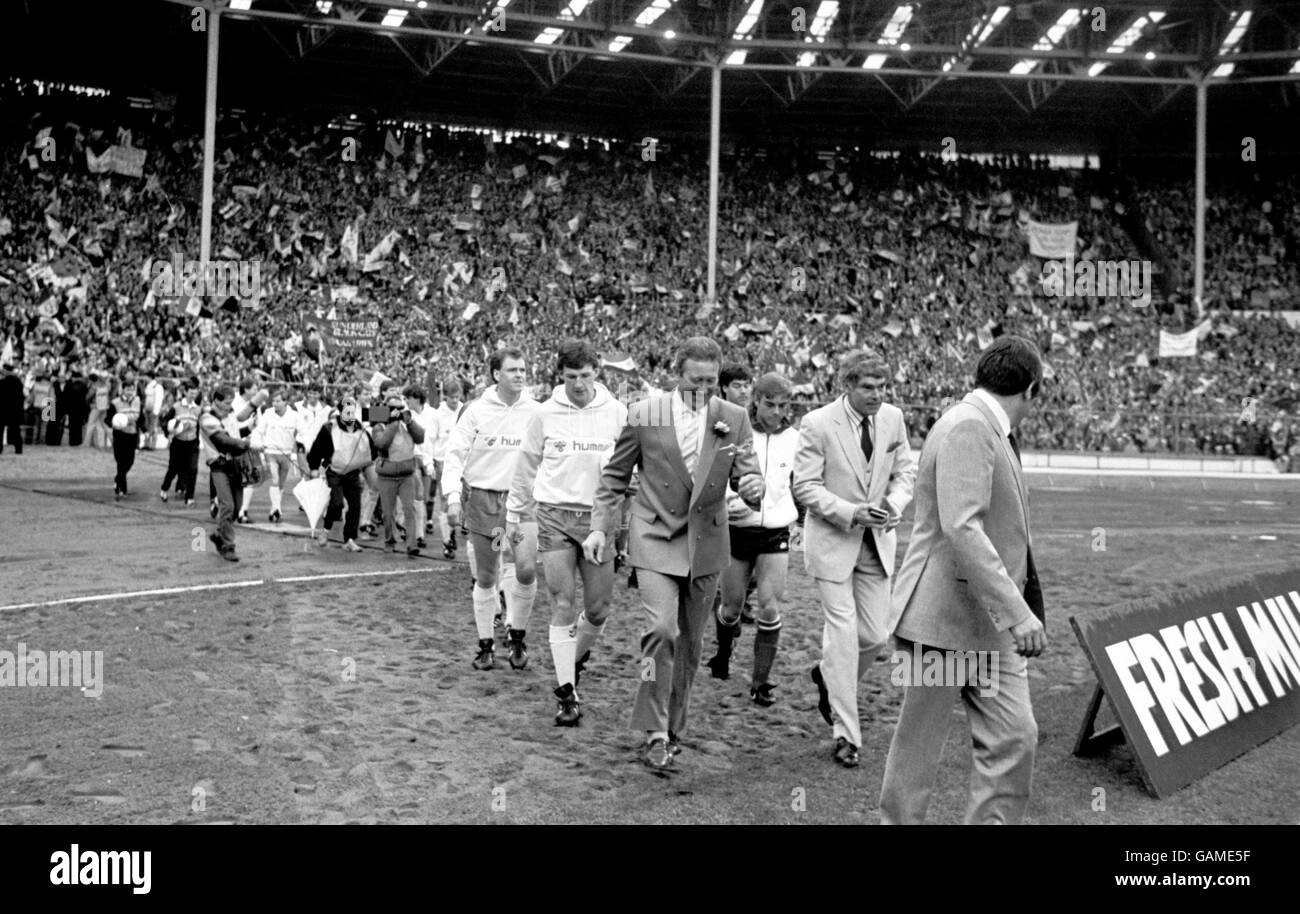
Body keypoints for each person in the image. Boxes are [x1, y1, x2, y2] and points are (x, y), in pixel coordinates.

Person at [879, 336, 1047, 825]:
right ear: (1031, 389)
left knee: (1015, 737)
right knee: (919, 749)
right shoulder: (969, 427)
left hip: (985, 626)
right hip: (945, 622)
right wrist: (1018, 612)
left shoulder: (977, 424)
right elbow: (961, 526)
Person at [585, 336, 765, 771]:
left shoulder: (734, 418)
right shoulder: (644, 414)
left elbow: (747, 473)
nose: (702, 389)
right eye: (693, 380)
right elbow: (613, 480)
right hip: (654, 535)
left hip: (706, 540)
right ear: (676, 373)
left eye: (710, 381)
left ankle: (674, 726)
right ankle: (654, 730)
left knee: (690, 643)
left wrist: (754, 487)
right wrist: (598, 530)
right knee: (661, 631)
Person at [793, 351, 916, 768]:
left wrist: (895, 503)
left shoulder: (893, 419)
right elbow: (805, 487)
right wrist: (849, 512)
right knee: (842, 636)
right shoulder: (817, 423)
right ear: (847, 385)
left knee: (876, 638)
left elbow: (905, 473)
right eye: (867, 387)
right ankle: (847, 734)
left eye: (882, 387)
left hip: (877, 543)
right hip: (832, 543)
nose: (876, 395)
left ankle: (829, 679)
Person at [507, 339, 628, 725]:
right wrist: (515, 512)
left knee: (598, 608)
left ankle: (573, 660)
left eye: (586, 376)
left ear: (597, 374)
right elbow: (526, 464)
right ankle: (566, 693)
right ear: (561, 375)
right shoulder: (545, 413)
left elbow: (629, 467)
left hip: (599, 519)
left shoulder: (617, 412)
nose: (578, 383)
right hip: (554, 515)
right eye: (571, 376)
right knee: (562, 602)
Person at [705, 372, 801, 707]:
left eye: (782, 405)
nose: (776, 411)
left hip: (775, 531)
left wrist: (800, 519)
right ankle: (722, 653)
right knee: (731, 608)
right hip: (736, 528)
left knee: (769, 606)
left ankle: (761, 683)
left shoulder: (796, 439)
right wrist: (734, 494)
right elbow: (718, 475)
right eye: (769, 403)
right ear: (755, 400)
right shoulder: (736, 431)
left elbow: (799, 484)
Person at [443, 349, 541, 670]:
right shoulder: (476, 411)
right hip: (486, 500)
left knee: (523, 569)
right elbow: (455, 453)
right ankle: (486, 644)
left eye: (523, 369)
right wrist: (453, 495)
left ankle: (516, 633)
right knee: (486, 575)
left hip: (523, 500)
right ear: (496, 374)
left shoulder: (537, 411)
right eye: (512, 369)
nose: (520, 375)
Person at [198, 385, 263, 562]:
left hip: (235, 465)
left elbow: (234, 433)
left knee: (236, 508)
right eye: (227, 403)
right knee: (227, 506)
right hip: (219, 467)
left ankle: (219, 534)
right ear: (216, 401)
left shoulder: (230, 414)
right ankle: (228, 546)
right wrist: (248, 444)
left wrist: (248, 428)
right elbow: (223, 441)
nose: (230, 406)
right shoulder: (207, 418)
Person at [307, 395, 374, 552]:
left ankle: (350, 539)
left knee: (355, 506)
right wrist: (314, 467)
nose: (350, 415)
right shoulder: (329, 428)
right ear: (340, 412)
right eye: (347, 411)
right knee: (336, 504)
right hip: (334, 471)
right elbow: (316, 449)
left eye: (352, 411)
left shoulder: (360, 428)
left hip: (352, 472)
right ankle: (325, 529)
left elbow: (369, 448)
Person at [370, 389, 426, 557]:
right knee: (388, 513)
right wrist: (393, 424)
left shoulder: (407, 423)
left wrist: (409, 422)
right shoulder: (379, 426)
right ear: (385, 408)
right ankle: (389, 540)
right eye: (393, 407)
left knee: (409, 510)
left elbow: (420, 437)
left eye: (400, 407)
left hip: (406, 474)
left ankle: (411, 544)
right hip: (386, 475)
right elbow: (381, 444)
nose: (398, 410)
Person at [251, 387, 300, 523]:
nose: (275, 404)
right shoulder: (267, 414)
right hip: (270, 452)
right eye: (274, 401)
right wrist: (257, 443)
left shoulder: (294, 416)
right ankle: (278, 508)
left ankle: (274, 510)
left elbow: (301, 433)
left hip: (286, 453)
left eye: (278, 401)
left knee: (281, 484)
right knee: (274, 480)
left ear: (285, 402)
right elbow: (258, 431)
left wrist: (301, 446)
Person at [432, 378, 466, 559]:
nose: (454, 400)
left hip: (464, 462)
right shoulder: (438, 415)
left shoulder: (466, 411)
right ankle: (448, 540)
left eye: (457, 396)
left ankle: (463, 529)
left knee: (465, 500)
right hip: (443, 462)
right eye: (451, 397)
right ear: (445, 396)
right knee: (446, 501)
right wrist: (429, 463)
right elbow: (431, 438)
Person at [160, 381, 202, 505]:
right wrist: (169, 433)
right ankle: (164, 488)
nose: (193, 395)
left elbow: (199, 427)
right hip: (178, 443)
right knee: (173, 469)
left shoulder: (198, 410)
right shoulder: (176, 407)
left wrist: (198, 441)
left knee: (193, 469)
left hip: (192, 444)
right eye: (191, 393)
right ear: (185, 392)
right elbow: (165, 421)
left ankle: (189, 497)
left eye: (195, 393)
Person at [107, 371, 143, 501]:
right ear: (122, 390)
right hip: (120, 435)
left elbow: (141, 418)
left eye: (132, 390)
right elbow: (107, 419)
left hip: (132, 435)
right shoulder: (115, 403)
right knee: (121, 461)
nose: (129, 392)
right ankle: (122, 488)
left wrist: (143, 429)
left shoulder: (137, 401)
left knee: (130, 461)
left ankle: (118, 479)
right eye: (127, 389)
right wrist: (114, 423)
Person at [0, 362, 23, 454]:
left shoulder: (2, 382)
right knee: (15, 430)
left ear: (5, 371)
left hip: (3, 410)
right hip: (15, 410)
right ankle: (18, 448)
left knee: (0, 430)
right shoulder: (18, 382)